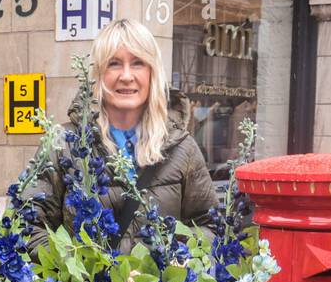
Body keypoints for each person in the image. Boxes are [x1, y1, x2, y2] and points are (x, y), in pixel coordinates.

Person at [30, 19, 218, 255]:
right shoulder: (64, 143)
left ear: (152, 73)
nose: (126, 76)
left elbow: (209, 224)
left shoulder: (182, 148)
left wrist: (176, 264)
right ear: (99, 73)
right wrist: (76, 269)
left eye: (138, 63)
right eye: (114, 64)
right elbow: (29, 224)